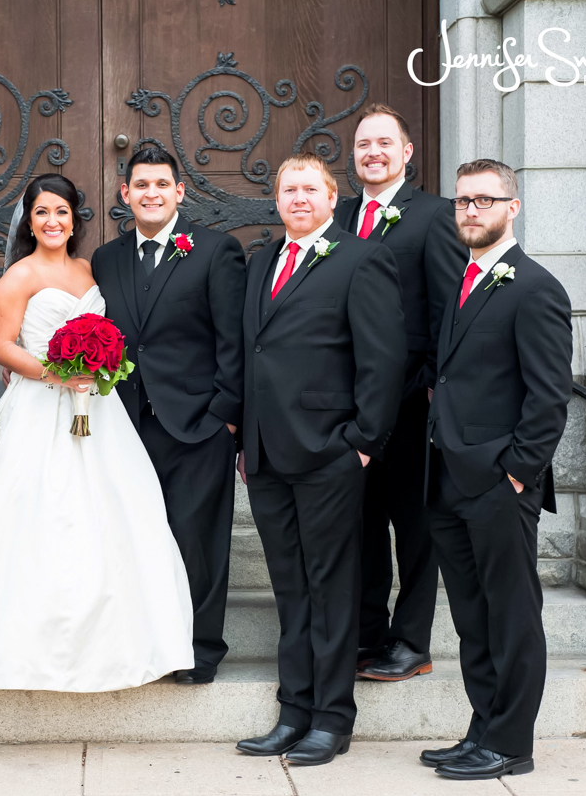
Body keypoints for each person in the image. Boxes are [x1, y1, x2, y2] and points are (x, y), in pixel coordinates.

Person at [0, 173, 194, 692]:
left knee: (118, 515)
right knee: (32, 516)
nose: (52, 221)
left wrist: (98, 366)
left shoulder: (89, 270)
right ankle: (8, 649)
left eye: (62, 212)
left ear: (74, 219)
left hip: (98, 407)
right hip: (40, 408)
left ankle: (122, 646)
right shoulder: (18, 277)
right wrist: (56, 372)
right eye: (42, 212)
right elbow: (1, 347)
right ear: (29, 219)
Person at [236, 153, 405, 766]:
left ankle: (332, 720)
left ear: (334, 199)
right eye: (289, 189)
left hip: (330, 453)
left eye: (311, 188)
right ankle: (293, 711)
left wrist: (361, 442)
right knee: (291, 590)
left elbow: (383, 360)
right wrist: (244, 440)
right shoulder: (261, 263)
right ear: (276, 199)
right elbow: (252, 351)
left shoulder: (362, 258)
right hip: (265, 456)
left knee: (332, 588)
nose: (299, 198)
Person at [420, 159, 572, 780]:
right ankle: (482, 730)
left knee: (510, 614)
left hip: (498, 482)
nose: (471, 211)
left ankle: (512, 743)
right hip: (449, 476)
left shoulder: (536, 287)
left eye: (485, 200)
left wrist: (517, 471)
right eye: (462, 201)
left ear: (513, 207)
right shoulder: (466, 278)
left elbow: (549, 395)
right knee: (472, 617)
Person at [89, 147, 246, 684]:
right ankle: (144, 643)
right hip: (125, 423)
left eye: (162, 184)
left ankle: (199, 650)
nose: (151, 193)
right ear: (125, 194)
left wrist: (225, 416)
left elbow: (234, 340)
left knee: (197, 538)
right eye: (141, 184)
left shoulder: (215, 250)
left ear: (180, 193)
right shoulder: (106, 259)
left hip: (198, 423)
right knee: (133, 537)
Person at [332, 105, 466, 681]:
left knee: (414, 526)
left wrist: (436, 382)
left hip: (412, 401)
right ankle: (366, 634)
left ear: (407, 153)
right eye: (364, 145)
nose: (373, 153)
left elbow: (449, 307)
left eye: (385, 143)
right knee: (357, 522)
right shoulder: (334, 217)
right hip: (346, 402)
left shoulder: (434, 216)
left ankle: (411, 641)